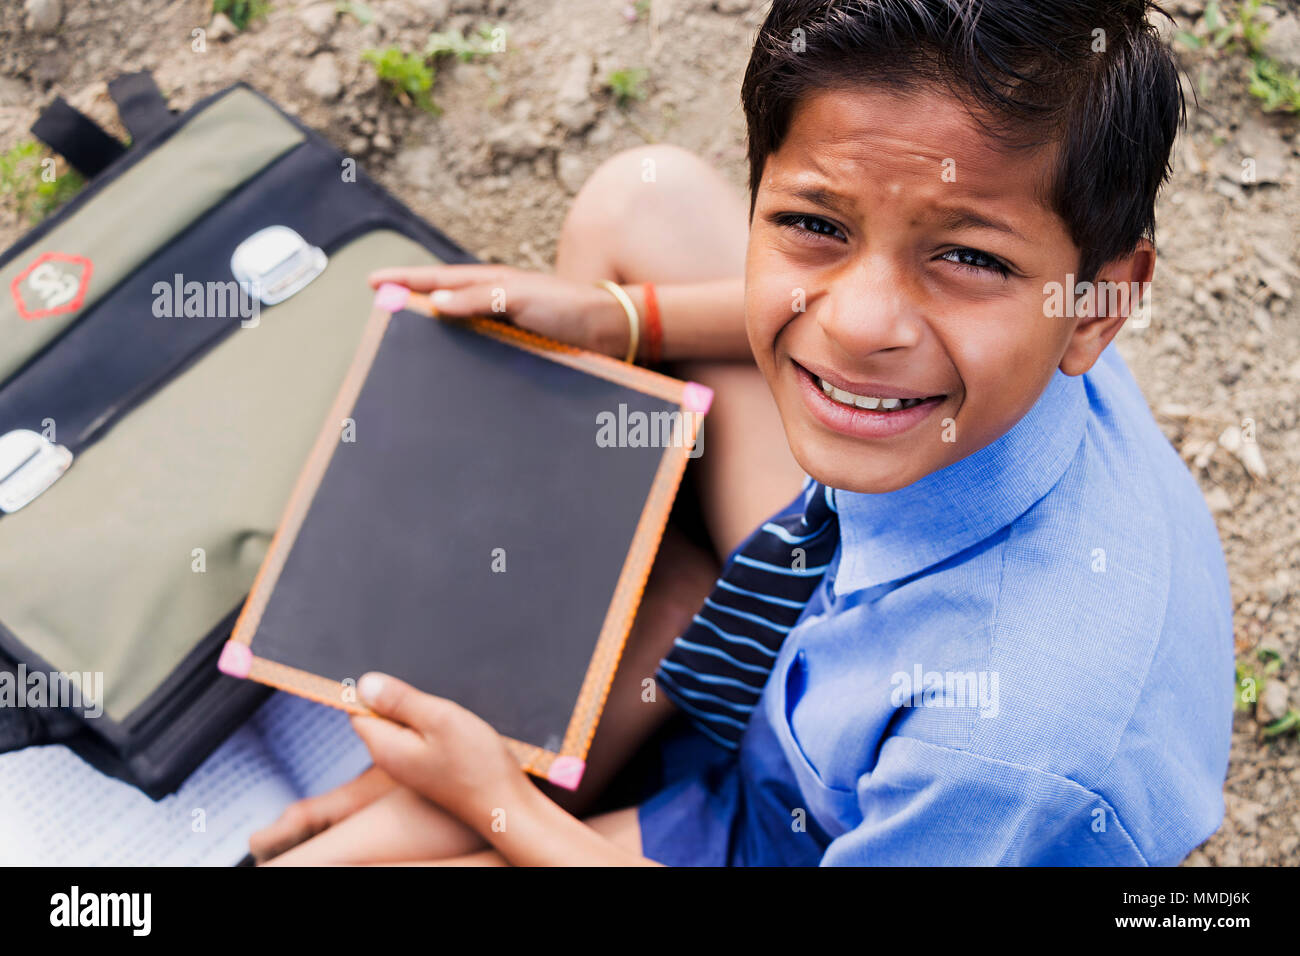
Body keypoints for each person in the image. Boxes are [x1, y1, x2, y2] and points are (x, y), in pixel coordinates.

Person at [250, 0, 1233, 866]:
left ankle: (592, 693)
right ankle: (665, 615)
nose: (858, 324)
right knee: (647, 202)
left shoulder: (998, 745)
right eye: (817, 222)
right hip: (829, 627)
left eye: (966, 254)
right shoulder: (986, 371)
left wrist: (493, 800)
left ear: (1100, 303)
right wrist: (624, 320)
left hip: (788, 831)